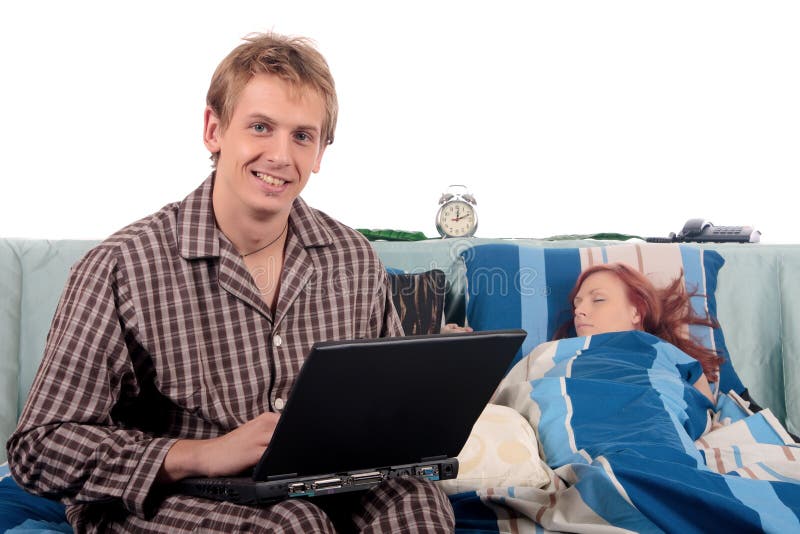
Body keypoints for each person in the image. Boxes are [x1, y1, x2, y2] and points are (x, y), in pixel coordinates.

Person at [6, 33, 454, 533]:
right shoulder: (120, 266)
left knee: (420, 504)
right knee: (292, 526)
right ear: (213, 129)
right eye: (260, 127)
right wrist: (197, 454)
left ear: (321, 151)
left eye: (302, 136)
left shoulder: (353, 257)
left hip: (319, 482)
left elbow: (387, 410)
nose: (281, 156)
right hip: (171, 493)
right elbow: (39, 447)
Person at [554, 262, 723, 403]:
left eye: (598, 299)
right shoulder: (555, 356)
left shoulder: (667, 355)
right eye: (577, 304)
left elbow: (704, 409)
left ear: (636, 312)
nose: (579, 311)